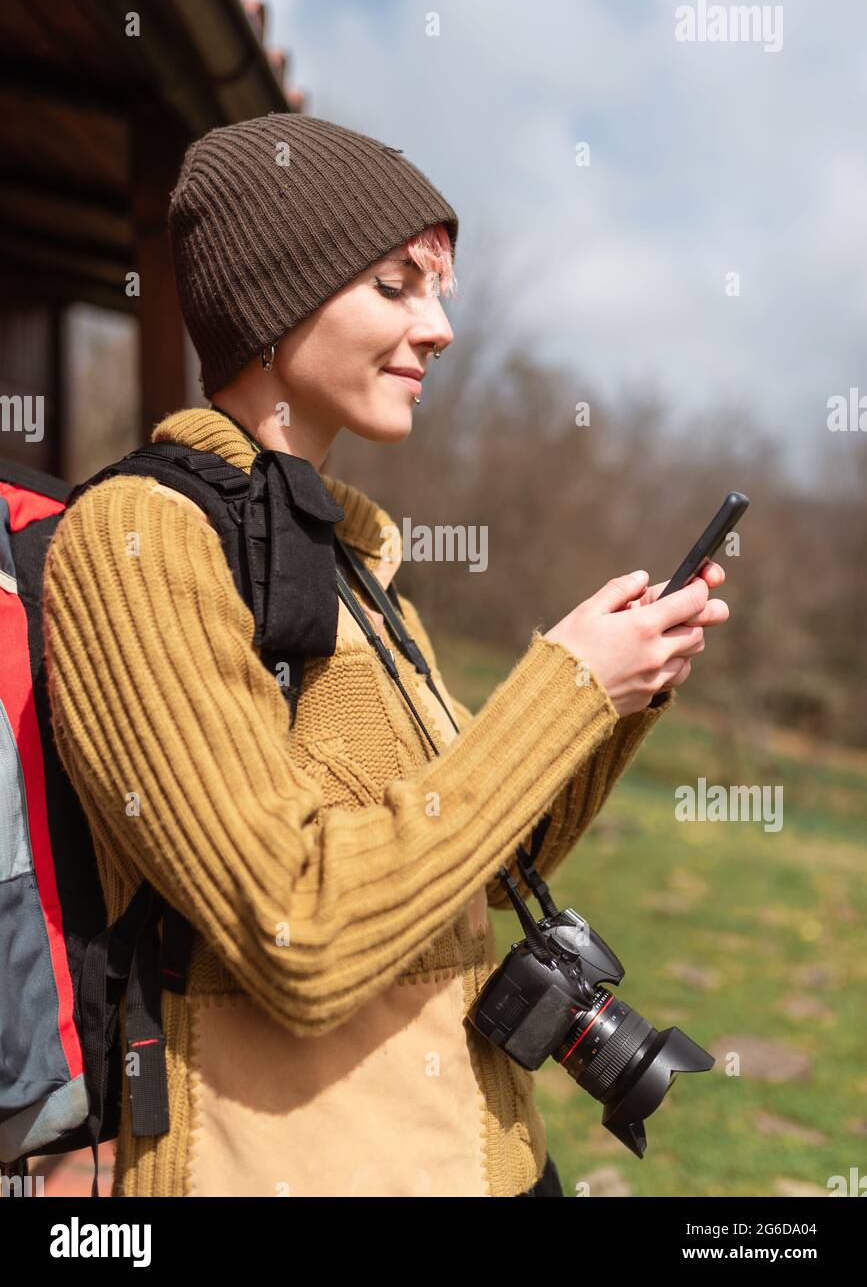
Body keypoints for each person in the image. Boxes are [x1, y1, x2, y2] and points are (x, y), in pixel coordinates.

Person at [41, 112, 729, 1198]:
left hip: (486, 1159)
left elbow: (488, 863)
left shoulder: (349, 558)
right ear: (275, 303)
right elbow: (295, 927)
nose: (443, 327)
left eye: (440, 290)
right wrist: (566, 687)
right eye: (397, 287)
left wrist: (616, 692)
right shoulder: (142, 540)